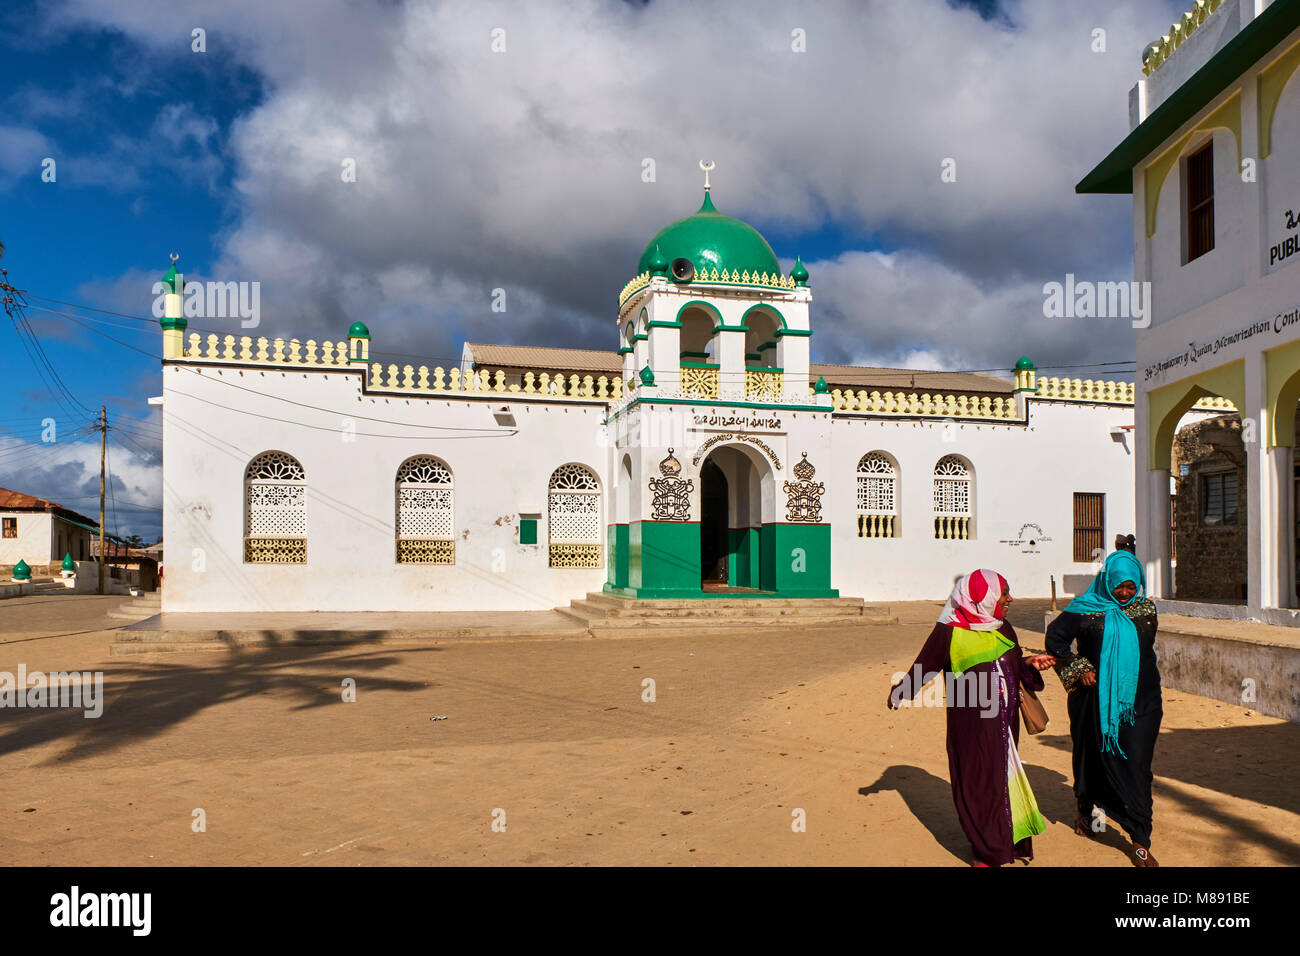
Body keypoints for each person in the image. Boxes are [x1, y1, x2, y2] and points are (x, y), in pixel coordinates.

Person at [889, 569, 1056, 866]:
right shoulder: (949, 632)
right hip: (971, 726)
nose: (1009, 599)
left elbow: (1014, 663)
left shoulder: (1003, 628)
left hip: (1005, 722)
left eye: (1008, 592)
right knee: (978, 781)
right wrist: (901, 691)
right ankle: (987, 851)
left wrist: (1030, 662)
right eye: (1003, 593)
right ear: (983, 596)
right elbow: (925, 665)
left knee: (1002, 779)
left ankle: (1009, 842)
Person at [1045, 549, 1161, 867]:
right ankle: (1086, 811)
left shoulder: (1146, 608)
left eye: (1129, 586)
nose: (1123, 593)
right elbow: (1055, 639)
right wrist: (1079, 667)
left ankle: (1139, 839)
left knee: (1138, 766)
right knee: (1092, 758)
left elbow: (1143, 651)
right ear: (1106, 581)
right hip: (1094, 701)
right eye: (1118, 586)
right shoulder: (1085, 608)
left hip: (1143, 702)